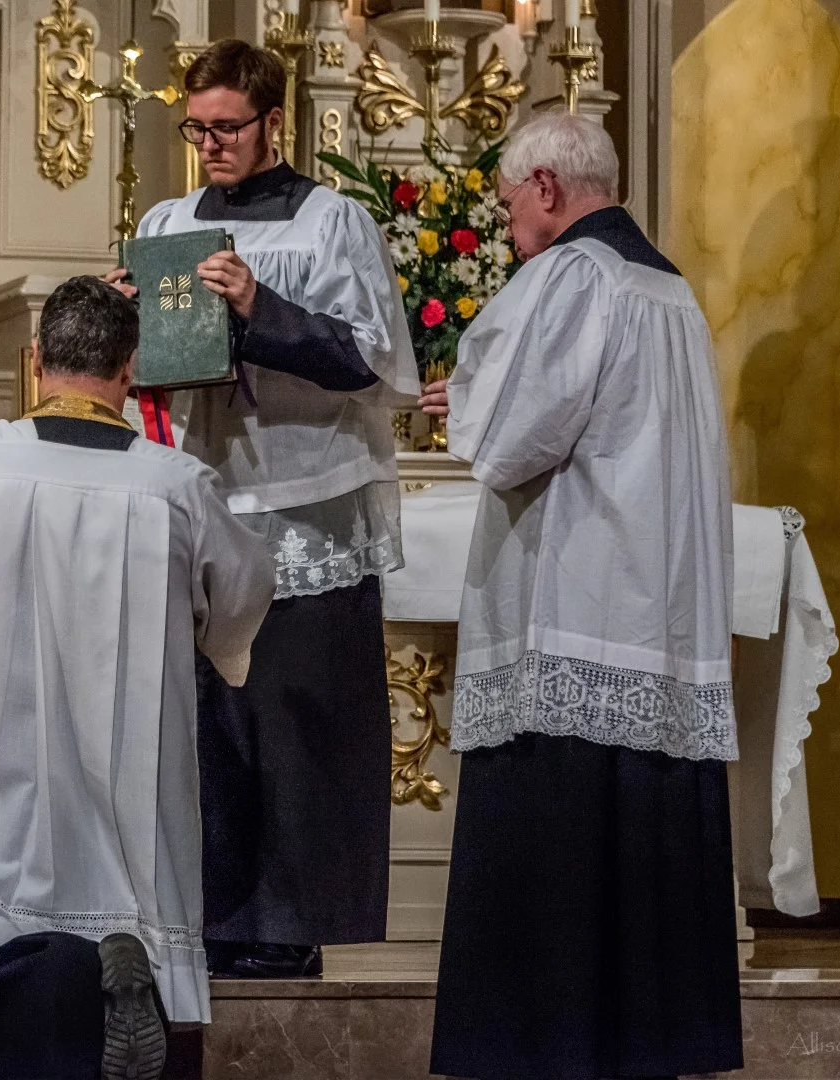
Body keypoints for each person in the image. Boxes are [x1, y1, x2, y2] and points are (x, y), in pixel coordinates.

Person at [0, 276, 273, 1077]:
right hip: (121, 780)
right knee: (127, 877)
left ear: (35, 360)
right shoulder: (174, 484)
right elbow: (240, 596)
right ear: (129, 368)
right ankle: (119, 987)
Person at [422, 112, 743, 1079]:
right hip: (652, 616)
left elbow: (510, 439)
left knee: (555, 908)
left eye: (508, 203)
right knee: (639, 920)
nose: (507, 222)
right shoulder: (669, 287)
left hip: (577, 617)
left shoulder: (572, 274)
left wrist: (465, 398)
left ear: (547, 188)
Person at [113, 38, 421, 978]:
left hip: (305, 503)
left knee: (296, 720)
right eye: (195, 129)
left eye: (226, 128)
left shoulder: (332, 222)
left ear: (272, 121)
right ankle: (211, 915)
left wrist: (258, 305)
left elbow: (370, 360)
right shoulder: (168, 221)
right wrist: (128, 315)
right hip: (204, 495)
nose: (209, 145)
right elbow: (151, 359)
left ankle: (290, 924)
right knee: (211, 725)